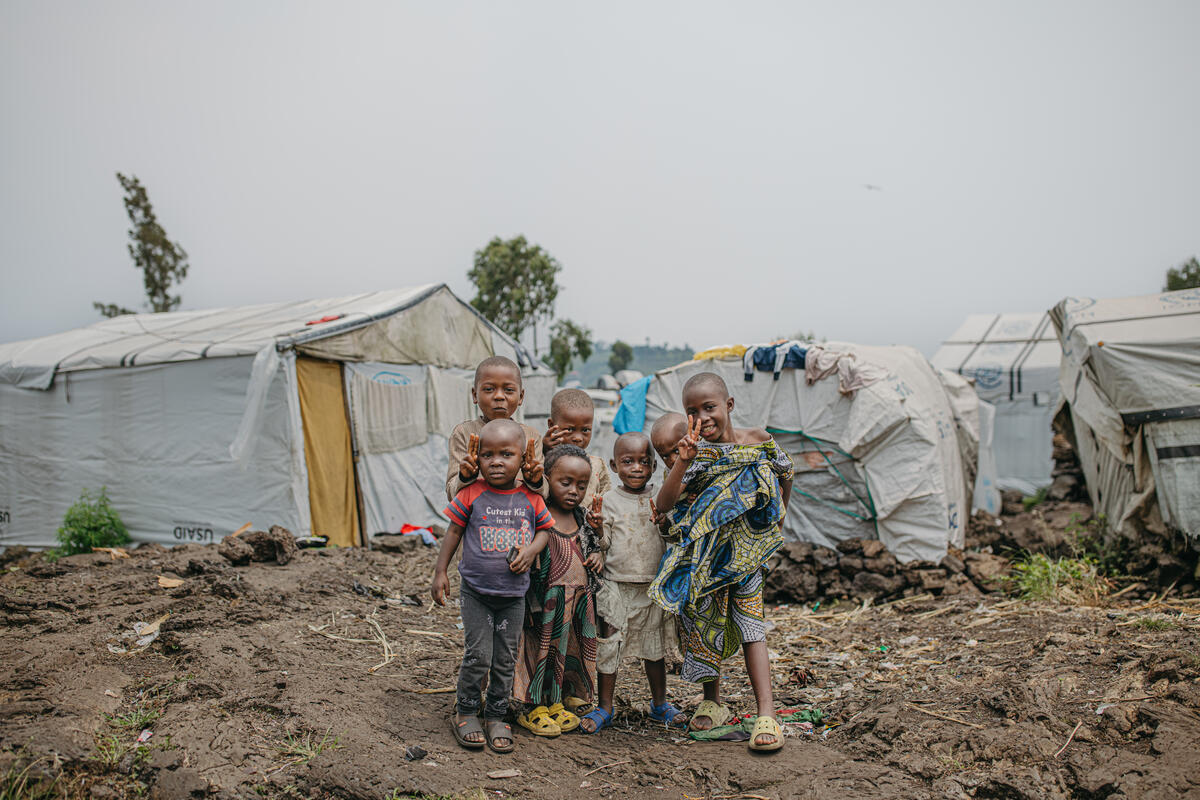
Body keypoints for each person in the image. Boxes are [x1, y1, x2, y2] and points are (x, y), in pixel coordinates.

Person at [651, 373, 794, 752]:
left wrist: (779, 518)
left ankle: (767, 713)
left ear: (729, 405)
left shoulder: (758, 440)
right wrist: (682, 462)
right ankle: (711, 701)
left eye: (709, 407)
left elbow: (786, 470)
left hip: (746, 558)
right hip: (708, 562)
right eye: (692, 411)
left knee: (752, 629)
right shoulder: (695, 455)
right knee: (706, 625)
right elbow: (665, 505)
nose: (703, 417)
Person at [431, 419, 554, 754]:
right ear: (477, 459)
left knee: (504, 659)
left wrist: (530, 551)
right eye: (488, 455)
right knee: (478, 655)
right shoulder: (471, 493)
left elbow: (544, 531)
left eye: (506, 454)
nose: (496, 461)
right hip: (476, 593)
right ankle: (467, 709)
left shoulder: (530, 496)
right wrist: (440, 571)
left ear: (522, 459)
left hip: (513, 596)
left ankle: (497, 714)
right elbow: (454, 531)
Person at [579, 432, 686, 734]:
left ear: (653, 466)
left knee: (654, 649)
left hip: (652, 587)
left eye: (643, 461)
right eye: (628, 462)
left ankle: (660, 704)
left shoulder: (661, 496)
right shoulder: (608, 501)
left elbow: (669, 536)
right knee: (609, 645)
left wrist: (665, 523)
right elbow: (604, 543)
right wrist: (598, 533)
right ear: (614, 465)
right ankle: (605, 706)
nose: (636, 468)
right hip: (615, 585)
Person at [512, 445, 603, 737]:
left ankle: (559, 700)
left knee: (569, 651)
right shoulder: (537, 517)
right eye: (566, 483)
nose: (574, 490)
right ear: (547, 479)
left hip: (576, 603)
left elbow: (594, 548)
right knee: (539, 652)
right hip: (545, 604)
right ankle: (533, 706)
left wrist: (598, 553)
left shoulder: (582, 517)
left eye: (581, 485)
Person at [445, 356, 543, 503]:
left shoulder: (530, 436)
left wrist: (535, 480)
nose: (498, 396)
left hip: (518, 518)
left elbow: (545, 491)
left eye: (508, 390)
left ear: (521, 396)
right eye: (489, 389)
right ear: (474, 395)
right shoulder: (464, 433)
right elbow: (451, 493)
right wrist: (464, 477)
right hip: (477, 520)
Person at [542, 388, 611, 508]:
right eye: (569, 430)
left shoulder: (597, 465)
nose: (578, 438)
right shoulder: (544, 460)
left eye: (585, 430)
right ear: (552, 425)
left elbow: (606, 499)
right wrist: (545, 451)